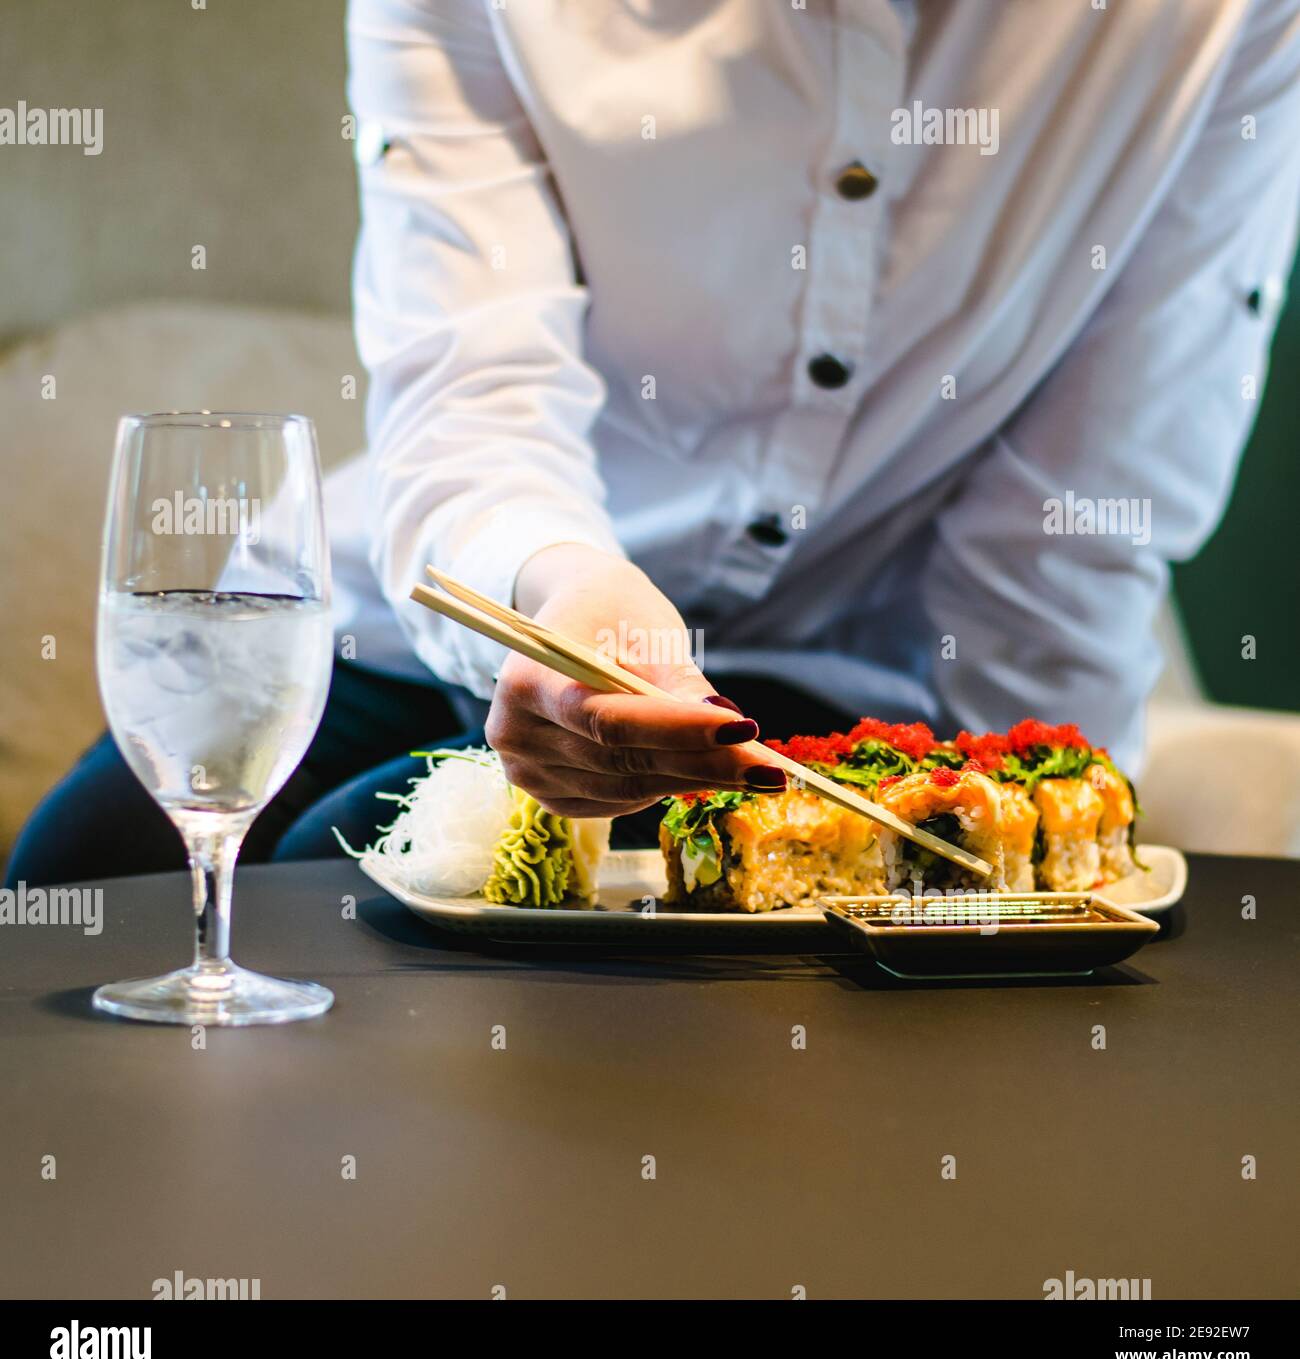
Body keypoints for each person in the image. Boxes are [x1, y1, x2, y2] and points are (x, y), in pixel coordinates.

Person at [9, 0, 1299, 886]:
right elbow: (473, 386)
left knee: (348, 882)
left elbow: (1082, 509)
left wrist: (1040, 866)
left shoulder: (1228, 24)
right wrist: (572, 597)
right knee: (77, 880)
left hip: (827, 671)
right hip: (449, 601)